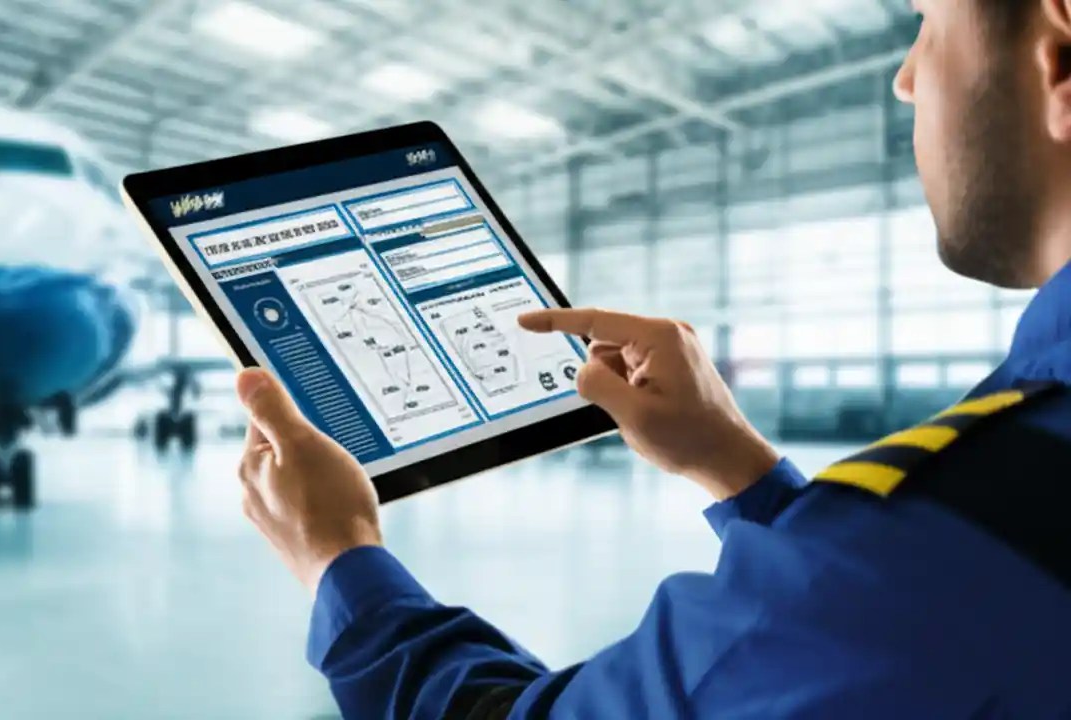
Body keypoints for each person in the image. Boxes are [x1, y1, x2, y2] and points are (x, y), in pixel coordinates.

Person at [233, 0, 1071, 716]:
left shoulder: (921, 556)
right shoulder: (978, 518)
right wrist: (739, 470)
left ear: (1058, 54)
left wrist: (338, 554)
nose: (907, 76)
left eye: (929, 19)